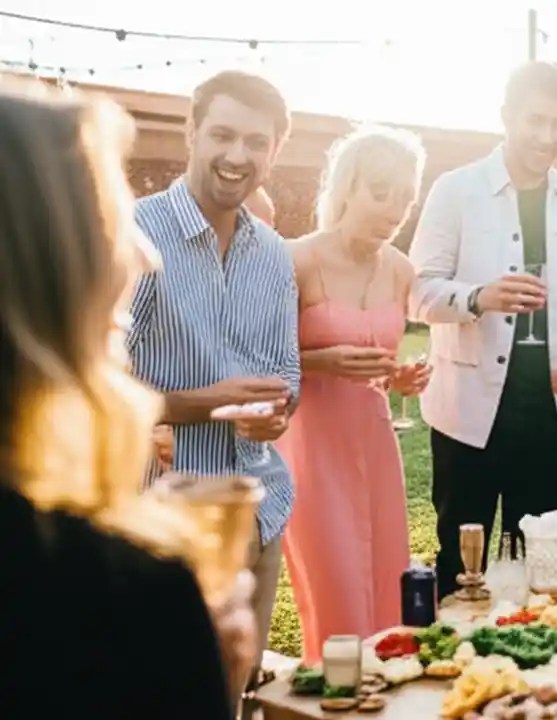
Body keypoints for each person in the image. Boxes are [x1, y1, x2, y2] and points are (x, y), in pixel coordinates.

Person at [0, 81, 256, 719]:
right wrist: (208, 673)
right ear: (54, 267)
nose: (143, 257)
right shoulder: (127, 587)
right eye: (113, 224)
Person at [127, 70, 299, 707]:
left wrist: (277, 415)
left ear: (274, 151)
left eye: (256, 141)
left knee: (236, 698)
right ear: (192, 133)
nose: (237, 156)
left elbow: (289, 380)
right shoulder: (136, 234)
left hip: (261, 514)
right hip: (168, 523)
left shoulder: (276, 255)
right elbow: (97, 384)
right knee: (167, 699)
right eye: (222, 134)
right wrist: (207, 402)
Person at [409, 61, 557, 597]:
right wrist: (477, 297)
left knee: (541, 563)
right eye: (535, 121)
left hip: (546, 416)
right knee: (458, 563)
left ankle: (529, 674)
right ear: (506, 117)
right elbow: (416, 291)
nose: (547, 137)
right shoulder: (456, 189)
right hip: (466, 414)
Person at [277, 126, 430, 665]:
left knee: (388, 577)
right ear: (348, 188)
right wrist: (321, 362)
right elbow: (257, 361)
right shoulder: (294, 260)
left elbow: (378, 363)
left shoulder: (401, 269)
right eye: (381, 192)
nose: (394, 209)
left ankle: (387, 696)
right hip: (312, 446)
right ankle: (337, 694)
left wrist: (400, 379)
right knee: (336, 584)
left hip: (375, 442)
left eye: (405, 198)